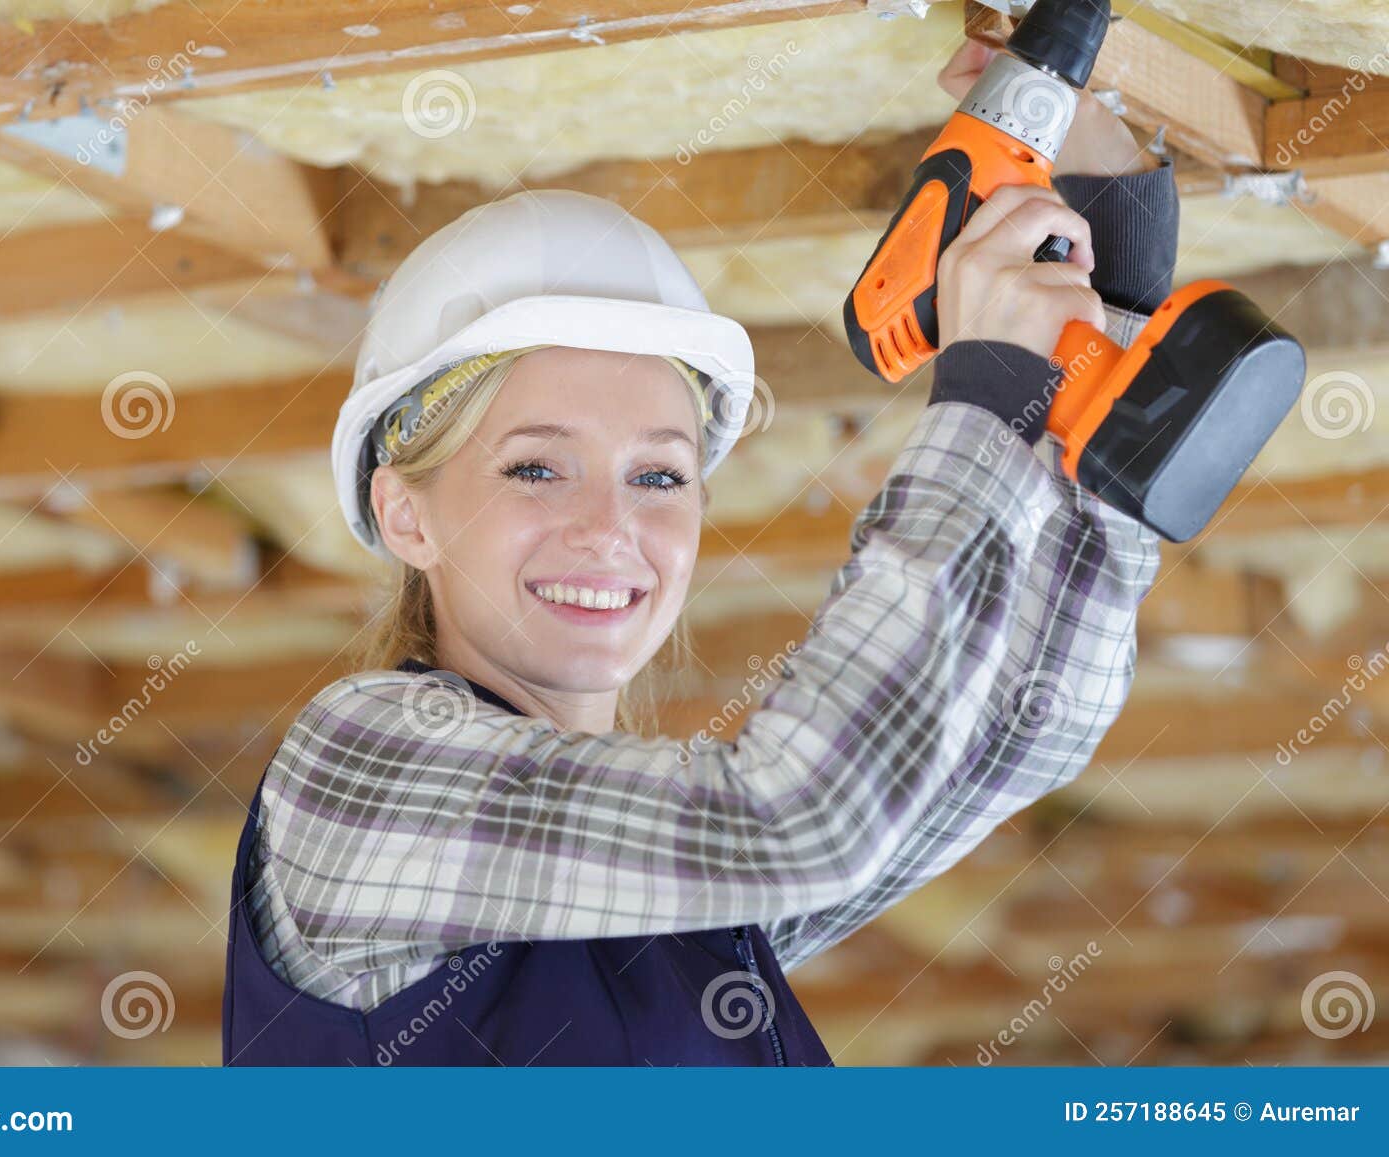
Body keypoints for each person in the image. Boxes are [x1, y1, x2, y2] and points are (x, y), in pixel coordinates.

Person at [222, 37, 1175, 1066]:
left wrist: (1100, 294)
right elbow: (802, 817)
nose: (610, 528)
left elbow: (1025, 721)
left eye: (658, 474)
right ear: (405, 514)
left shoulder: (674, 909)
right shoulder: (357, 764)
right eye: (536, 468)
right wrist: (986, 393)